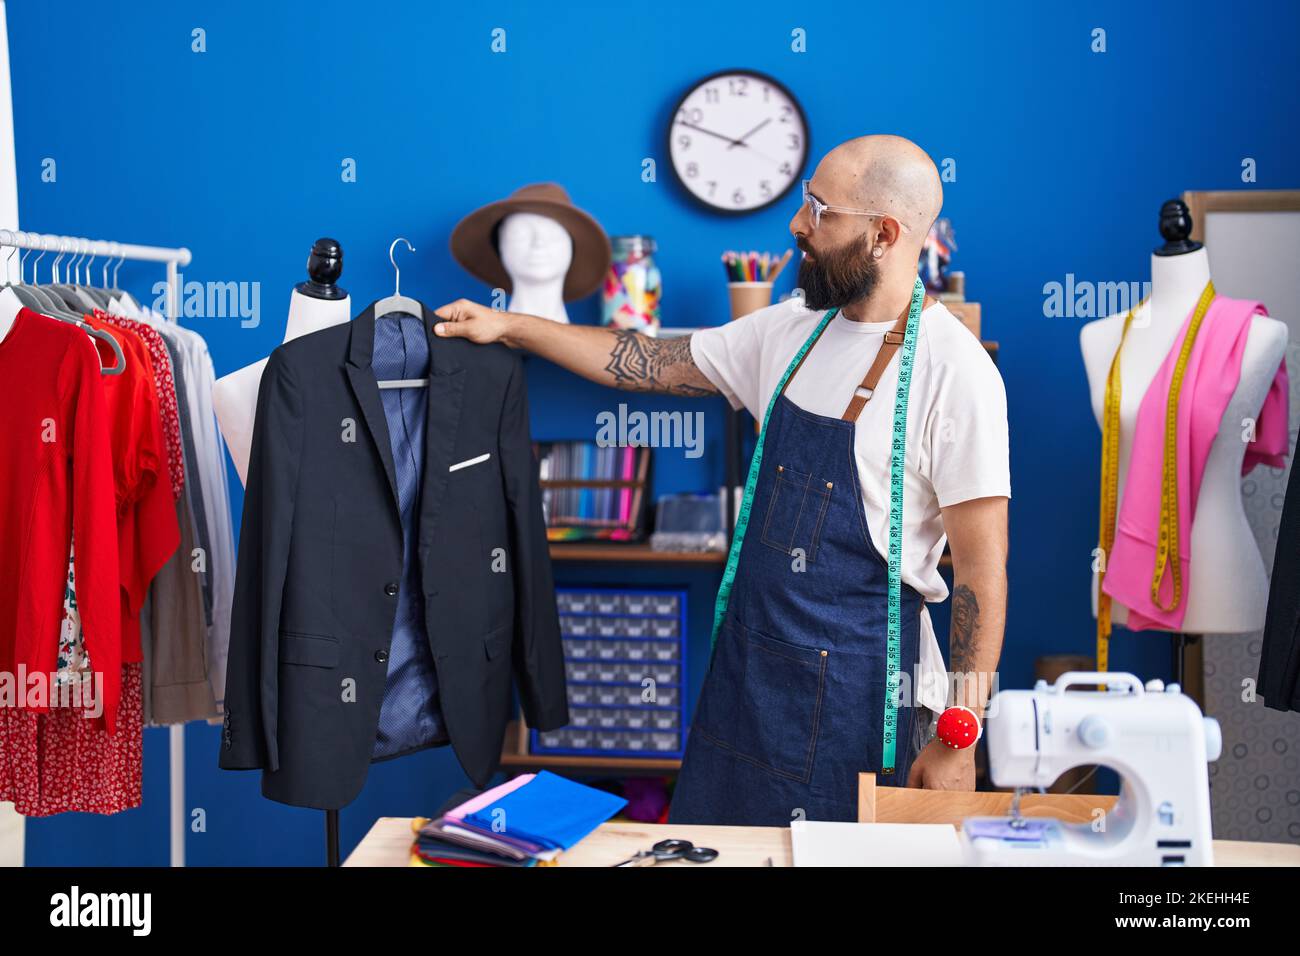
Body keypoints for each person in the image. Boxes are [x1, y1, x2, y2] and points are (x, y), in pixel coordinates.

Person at [434, 134, 1010, 824]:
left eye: (820, 211)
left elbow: (983, 572)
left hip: (867, 704)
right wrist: (511, 326)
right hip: (748, 687)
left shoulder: (956, 372)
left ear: (883, 234)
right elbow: (642, 359)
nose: (798, 225)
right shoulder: (790, 331)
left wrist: (958, 735)